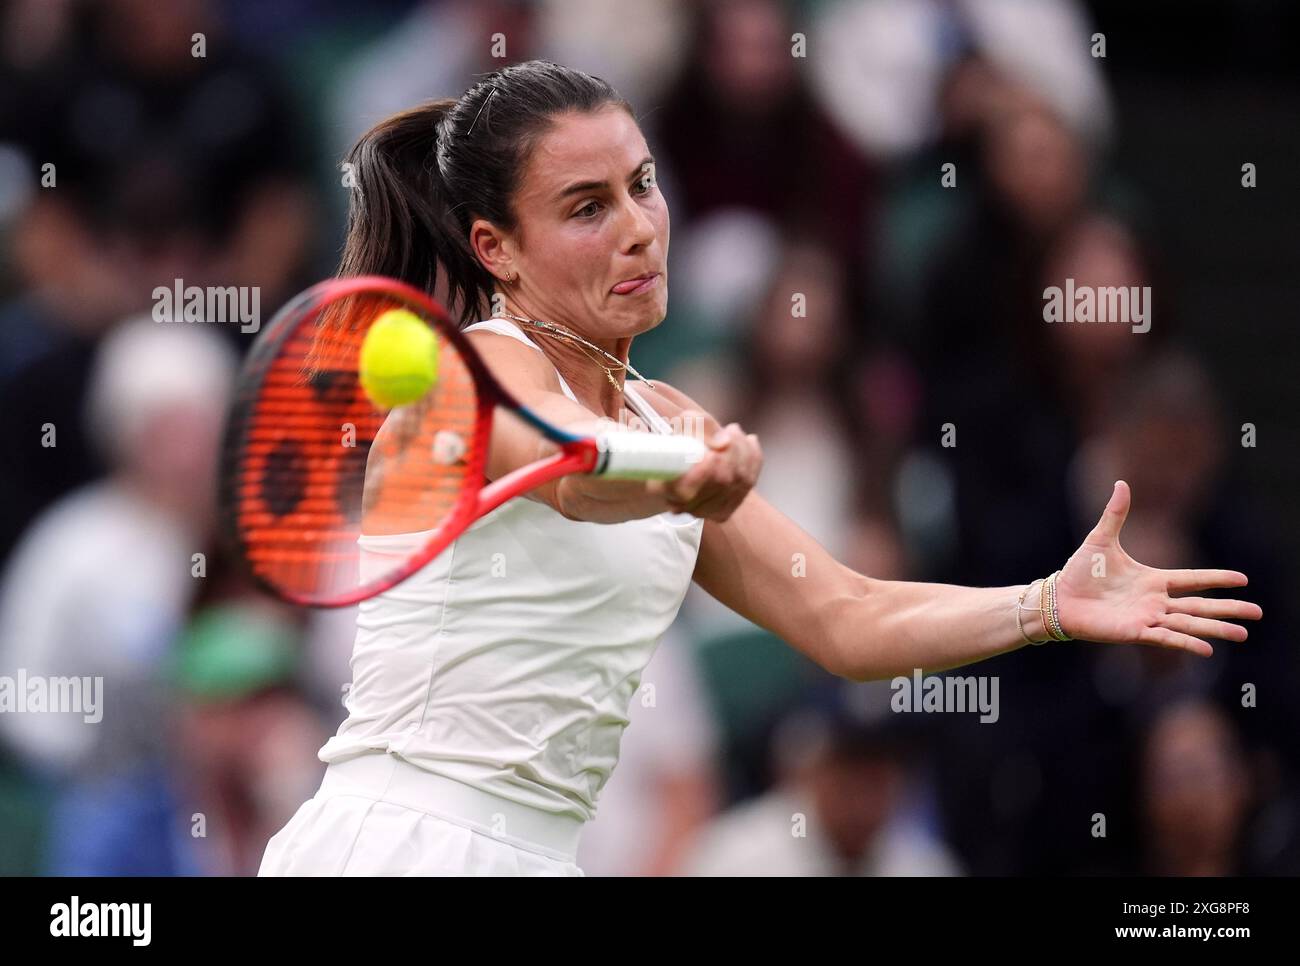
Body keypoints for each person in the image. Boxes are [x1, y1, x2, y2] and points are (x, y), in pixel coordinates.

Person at [258, 61, 1261, 877]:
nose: (639, 226)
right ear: (497, 250)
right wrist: (676, 482)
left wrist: (1045, 604)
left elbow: (846, 619)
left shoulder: (674, 421)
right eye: (585, 207)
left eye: (641, 185)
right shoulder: (471, 371)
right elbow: (568, 472)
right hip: (394, 845)